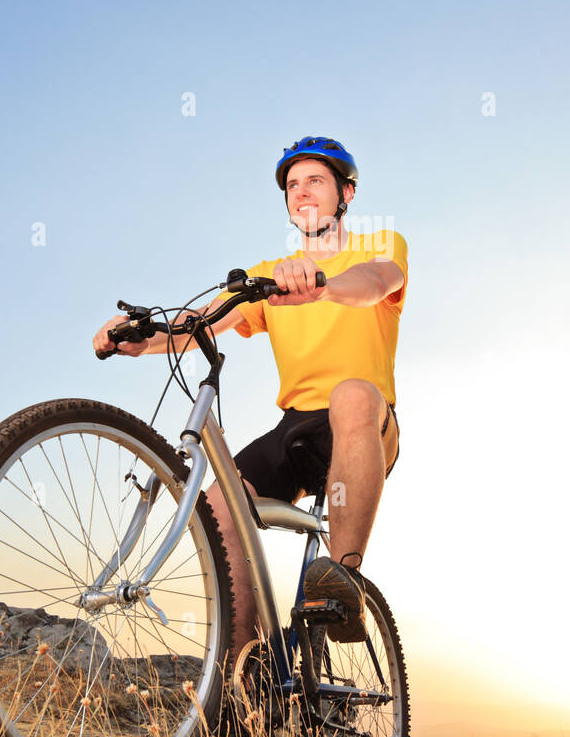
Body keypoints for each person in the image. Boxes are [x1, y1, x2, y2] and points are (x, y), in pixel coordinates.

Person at [92, 135, 407, 660]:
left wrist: (322, 284)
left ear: (345, 193)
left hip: (366, 422)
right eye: (292, 185)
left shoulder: (379, 247)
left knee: (352, 394)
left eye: (315, 182)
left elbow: (375, 283)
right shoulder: (269, 276)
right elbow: (201, 324)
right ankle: (251, 681)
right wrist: (139, 336)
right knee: (217, 509)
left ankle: (342, 586)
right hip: (296, 427)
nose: (301, 192)